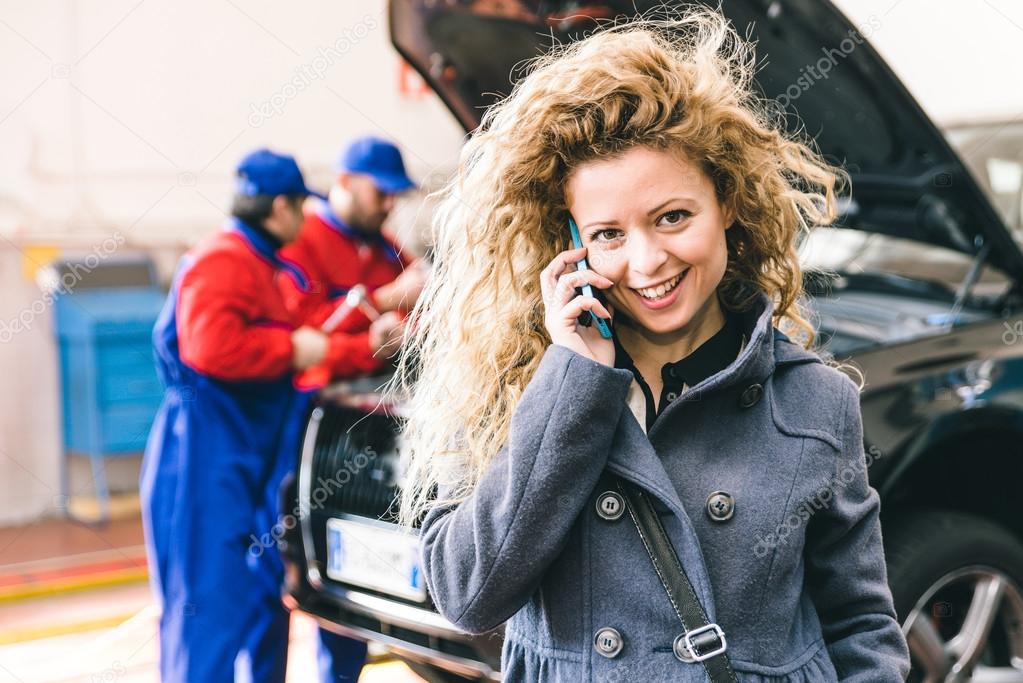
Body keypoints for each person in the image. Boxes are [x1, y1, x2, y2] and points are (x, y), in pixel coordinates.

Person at [391, 9, 911, 683]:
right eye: (608, 234)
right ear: (570, 243)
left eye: (672, 217)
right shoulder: (512, 385)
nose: (645, 262)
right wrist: (572, 380)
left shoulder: (815, 402)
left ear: (726, 203)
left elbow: (860, 625)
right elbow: (469, 595)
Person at [140, 149, 330, 682]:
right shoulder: (223, 258)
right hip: (203, 461)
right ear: (279, 207)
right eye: (301, 207)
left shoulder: (265, 265)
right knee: (205, 608)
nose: (305, 219)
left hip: (248, 460)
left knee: (259, 602)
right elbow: (210, 346)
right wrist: (291, 349)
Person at [276, 137, 423, 680]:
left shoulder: (385, 248)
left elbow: (422, 309)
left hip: (372, 436)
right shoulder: (302, 243)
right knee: (306, 565)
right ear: (343, 182)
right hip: (308, 427)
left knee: (363, 574)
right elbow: (299, 337)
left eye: (394, 195)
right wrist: (380, 310)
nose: (389, 204)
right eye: (379, 192)